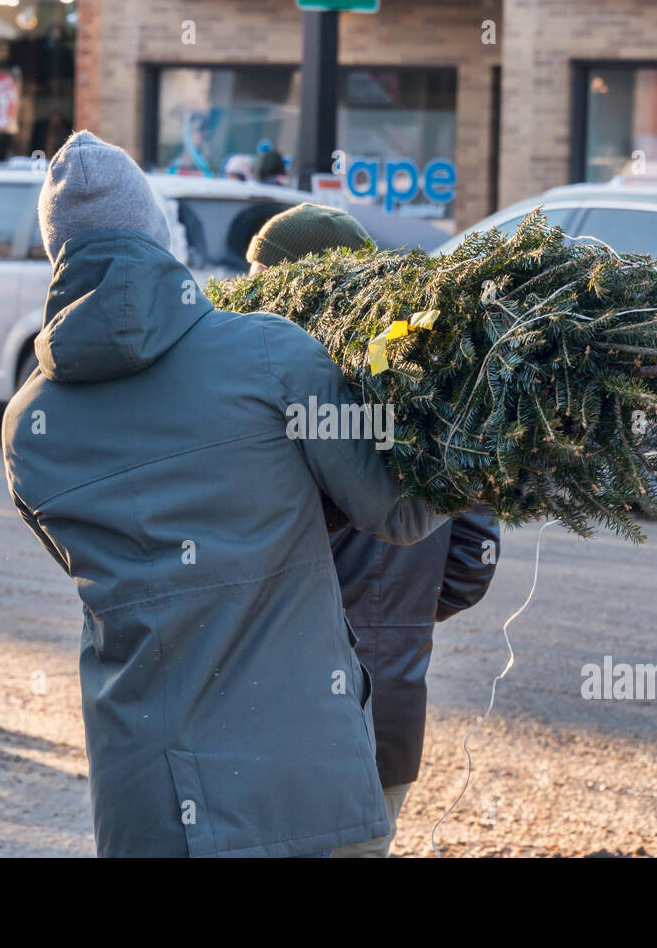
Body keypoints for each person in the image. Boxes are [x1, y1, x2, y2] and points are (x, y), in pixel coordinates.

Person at [1, 132, 446, 857]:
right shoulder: (269, 353)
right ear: (159, 236)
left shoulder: (28, 428)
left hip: (148, 802)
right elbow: (397, 510)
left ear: (58, 255)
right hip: (303, 787)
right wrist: (486, 446)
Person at [247, 204, 501, 857]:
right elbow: (471, 563)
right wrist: (398, 619)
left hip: (271, 727)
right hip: (386, 726)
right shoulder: (425, 397)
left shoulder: (263, 401)